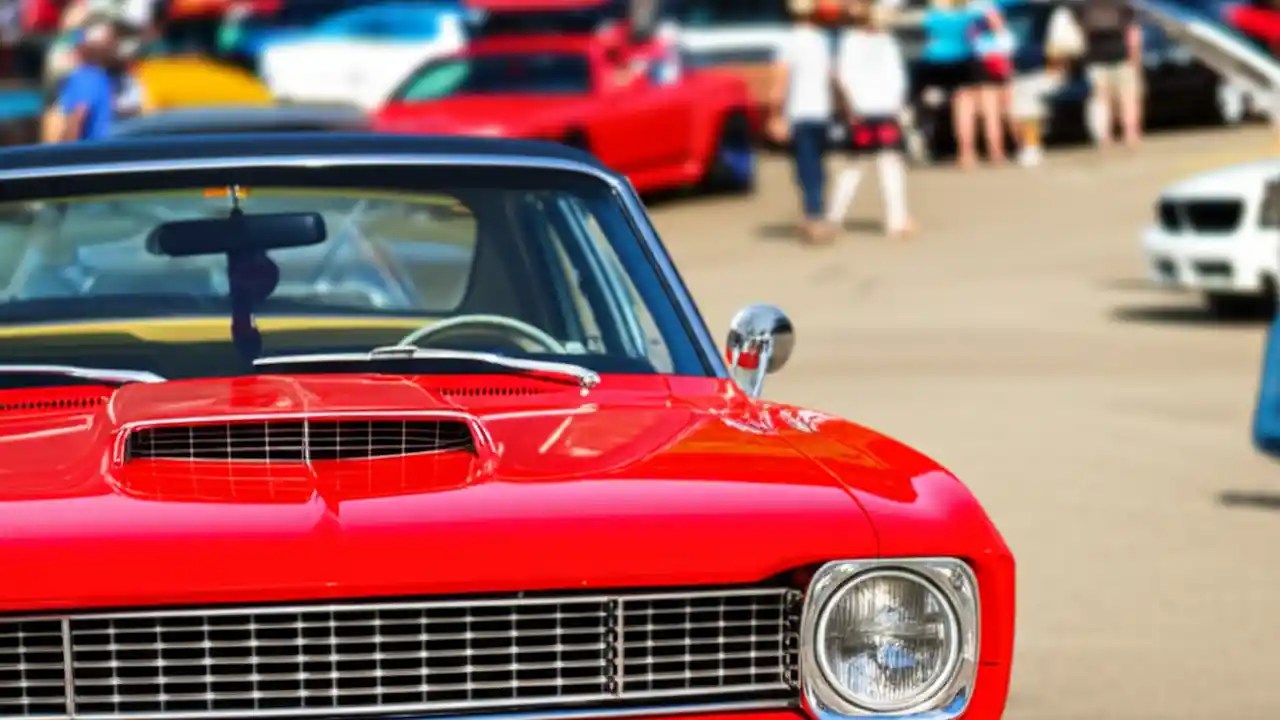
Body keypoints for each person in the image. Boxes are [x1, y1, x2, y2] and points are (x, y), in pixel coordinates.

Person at [827, 0, 915, 238]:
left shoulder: (848, 41)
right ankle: (896, 220)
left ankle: (834, 216)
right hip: (885, 109)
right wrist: (899, 107)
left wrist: (849, 108)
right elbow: (898, 78)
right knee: (890, 165)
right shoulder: (886, 42)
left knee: (855, 165)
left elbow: (842, 78)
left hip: (862, 111)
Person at [768, 0, 839, 244]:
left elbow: (780, 82)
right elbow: (832, 78)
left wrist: (775, 115)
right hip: (821, 112)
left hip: (800, 113)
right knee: (818, 167)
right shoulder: (821, 40)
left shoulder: (788, 42)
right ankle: (816, 214)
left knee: (806, 168)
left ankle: (813, 217)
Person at [919, 0, 982, 168]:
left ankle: (929, 143)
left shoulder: (931, 15)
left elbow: (926, 33)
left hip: (935, 61)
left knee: (930, 105)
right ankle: (966, 153)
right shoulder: (968, 15)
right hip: (963, 59)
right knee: (965, 108)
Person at [1074, 0, 1143, 148]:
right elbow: (1133, 33)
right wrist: (1135, 58)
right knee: (1128, 98)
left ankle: (1105, 138)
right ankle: (1130, 134)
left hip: (1095, 60)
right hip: (1122, 57)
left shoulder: (1084, 8)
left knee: (1101, 100)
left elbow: (1081, 33)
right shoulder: (1122, 6)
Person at [44, 16, 120, 142]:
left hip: (94, 154)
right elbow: (79, 117)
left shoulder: (87, 77)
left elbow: (78, 116)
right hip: (99, 153)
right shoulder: (94, 77)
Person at [970, 0, 1014, 165]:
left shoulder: (968, 8)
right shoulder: (989, 5)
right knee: (997, 110)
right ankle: (998, 151)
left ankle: (990, 151)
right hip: (995, 59)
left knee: (988, 111)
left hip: (977, 60)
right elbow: (998, 27)